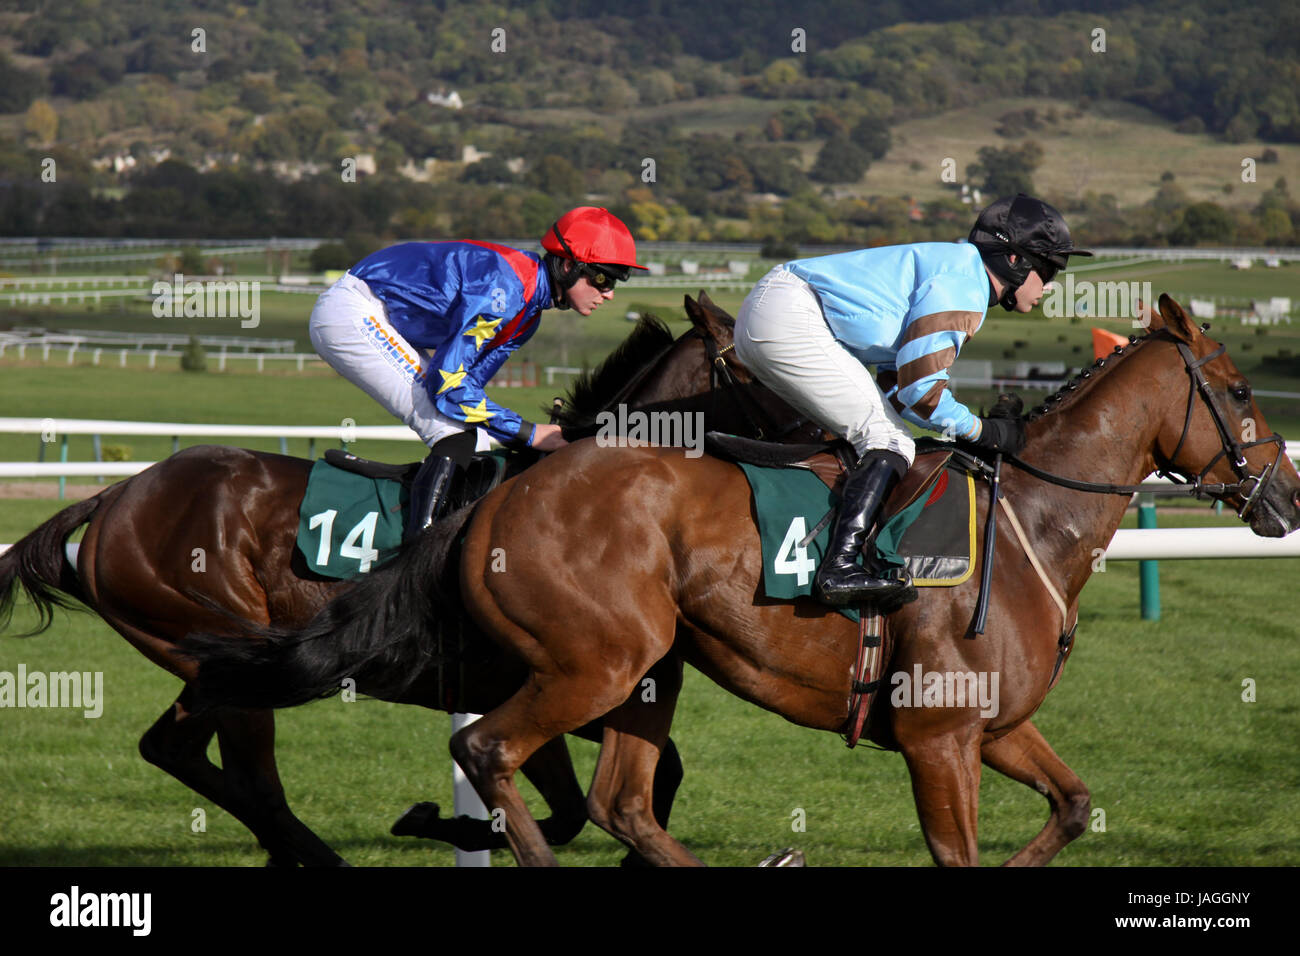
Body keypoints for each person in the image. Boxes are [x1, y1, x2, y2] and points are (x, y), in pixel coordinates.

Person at [734, 193, 1092, 606]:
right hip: (787, 316)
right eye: (1048, 270)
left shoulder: (959, 270)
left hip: (774, 312)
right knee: (890, 441)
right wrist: (983, 430)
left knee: (881, 433)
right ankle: (840, 566)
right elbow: (921, 392)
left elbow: (900, 388)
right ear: (1015, 261)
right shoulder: (963, 287)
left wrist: (968, 426)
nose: (1048, 286)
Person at [309, 206, 647, 537]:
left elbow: (468, 391)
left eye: (616, 282)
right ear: (569, 265)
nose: (610, 293)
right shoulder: (504, 292)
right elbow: (448, 386)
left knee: (475, 438)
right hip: (353, 312)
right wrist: (530, 433)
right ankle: (417, 557)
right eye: (602, 278)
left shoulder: (527, 316)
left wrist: (521, 435)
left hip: (381, 317)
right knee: (455, 435)